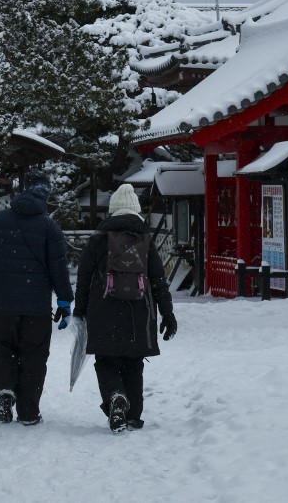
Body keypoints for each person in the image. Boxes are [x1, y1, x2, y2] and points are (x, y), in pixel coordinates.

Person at [0, 168, 73, 426]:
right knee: (34, 355)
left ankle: (4, 389)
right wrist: (64, 300)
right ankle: (28, 411)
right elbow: (59, 267)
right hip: (37, 308)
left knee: (2, 349)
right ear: (45, 194)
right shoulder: (49, 226)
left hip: (5, 304)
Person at [72, 183, 177, 433]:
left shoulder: (99, 239)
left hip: (103, 308)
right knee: (133, 363)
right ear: (136, 211)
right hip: (138, 312)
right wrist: (167, 314)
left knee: (106, 360)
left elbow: (84, 277)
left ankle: (115, 395)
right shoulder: (145, 240)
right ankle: (132, 415)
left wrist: (81, 309)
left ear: (113, 210)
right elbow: (159, 280)